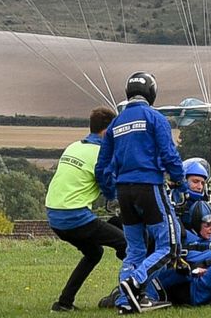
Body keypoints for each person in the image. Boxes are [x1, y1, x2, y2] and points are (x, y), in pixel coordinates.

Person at [98, 71, 186, 313]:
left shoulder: (116, 123)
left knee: (135, 248)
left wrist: (109, 192)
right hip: (149, 187)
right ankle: (135, 282)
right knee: (170, 245)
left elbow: (102, 166)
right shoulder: (154, 117)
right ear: (152, 93)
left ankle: (126, 301)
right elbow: (169, 154)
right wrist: (180, 181)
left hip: (124, 192)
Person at [49, 107, 128, 312]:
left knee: (94, 252)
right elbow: (110, 192)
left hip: (55, 216)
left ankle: (64, 303)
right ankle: (129, 294)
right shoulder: (101, 154)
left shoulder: (74, 147)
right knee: (127, 244)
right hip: (74, 216)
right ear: (108, 130)